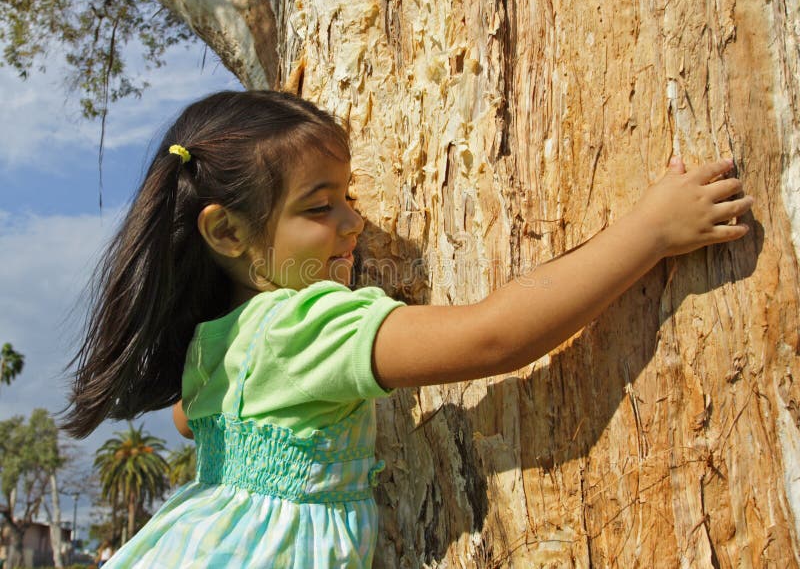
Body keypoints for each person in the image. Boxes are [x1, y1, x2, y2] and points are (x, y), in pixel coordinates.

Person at [62, 90, 753, 567]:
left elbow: (188, 420)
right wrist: (652, 231)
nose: (352, 222)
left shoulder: (218, 341)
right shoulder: (304, 326)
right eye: (320, 205)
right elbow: (495, 336)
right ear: (228, 231)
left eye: (348, 198)